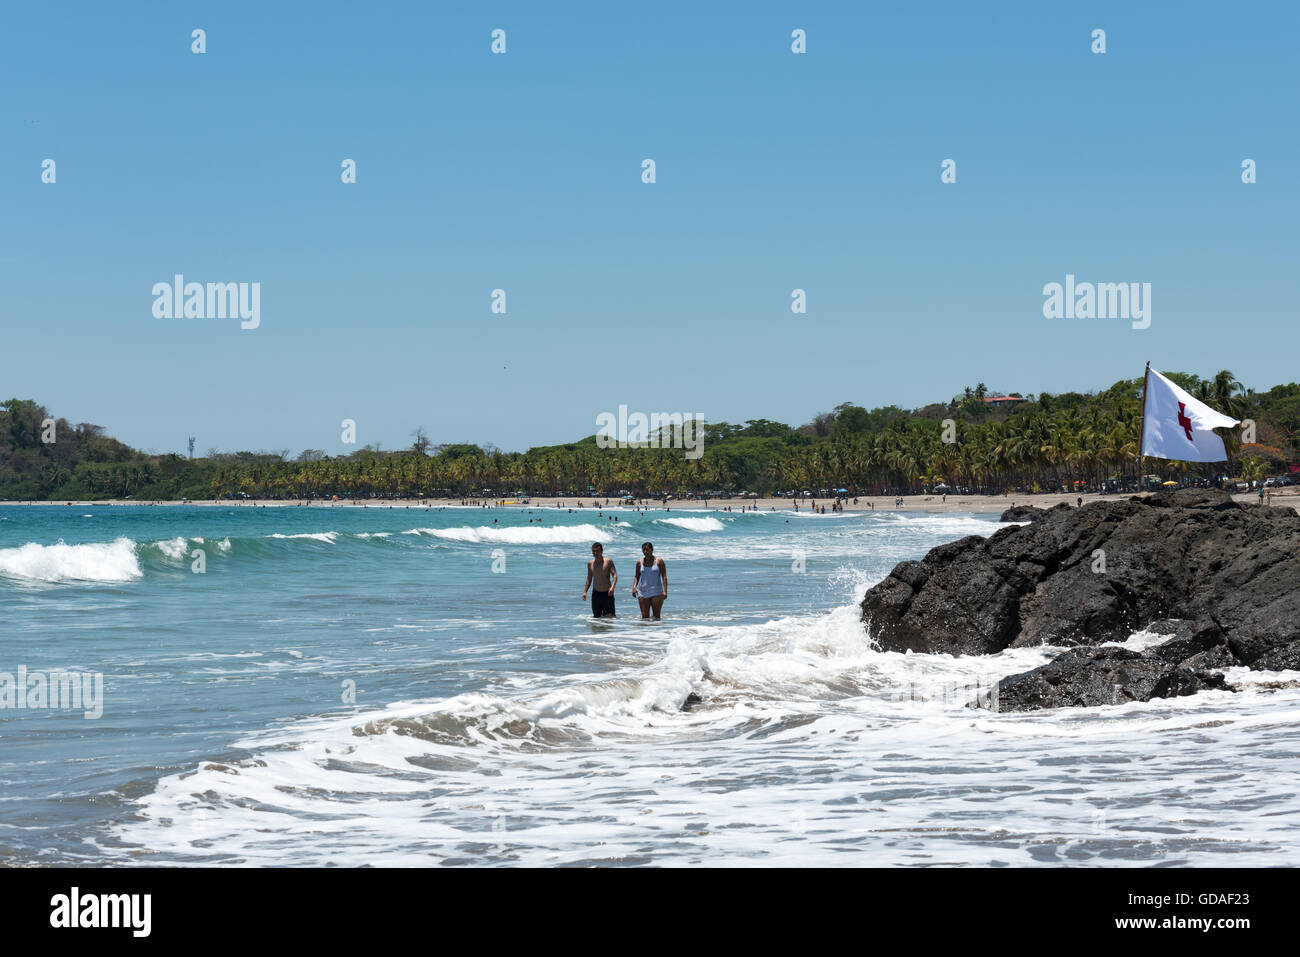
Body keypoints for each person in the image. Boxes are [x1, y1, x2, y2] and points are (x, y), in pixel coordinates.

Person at [633, 541, 668, 620]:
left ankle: (656, 632)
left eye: (647, 549)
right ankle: (646, 632)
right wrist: (634, 587)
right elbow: (637, 576)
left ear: (652, 550)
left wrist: (665, 591)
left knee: (656, 616)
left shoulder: (659, 561)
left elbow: (664, 577)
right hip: (643, 592)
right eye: (644, 550)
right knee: (645, 617)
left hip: (656, 591)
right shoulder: (639, 562)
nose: (645, 551)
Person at [582, 542, 618, 617]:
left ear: (602, 551)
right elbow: (589, 578)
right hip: (596, 594)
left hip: (607, 594)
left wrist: (612, 587)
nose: (595, 553)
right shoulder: (590, 564)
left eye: (597, 551)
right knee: (596, 617)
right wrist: (585, 591)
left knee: (609, 616)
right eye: (593, 551)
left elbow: (614, 575)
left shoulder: (608, 561)